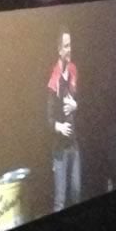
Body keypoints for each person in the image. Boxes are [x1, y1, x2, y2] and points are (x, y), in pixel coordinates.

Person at [47, 30, 81, 212]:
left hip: (73, 144)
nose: (70, 49)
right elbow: (47, 118)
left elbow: (78, 101)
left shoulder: (74, 70)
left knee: (76, 192)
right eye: (66, 46)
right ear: (59, 50)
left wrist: (76, 105)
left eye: (70, 45)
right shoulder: (54, 78)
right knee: (60, 199)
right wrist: (59, 126)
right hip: (60, 147)